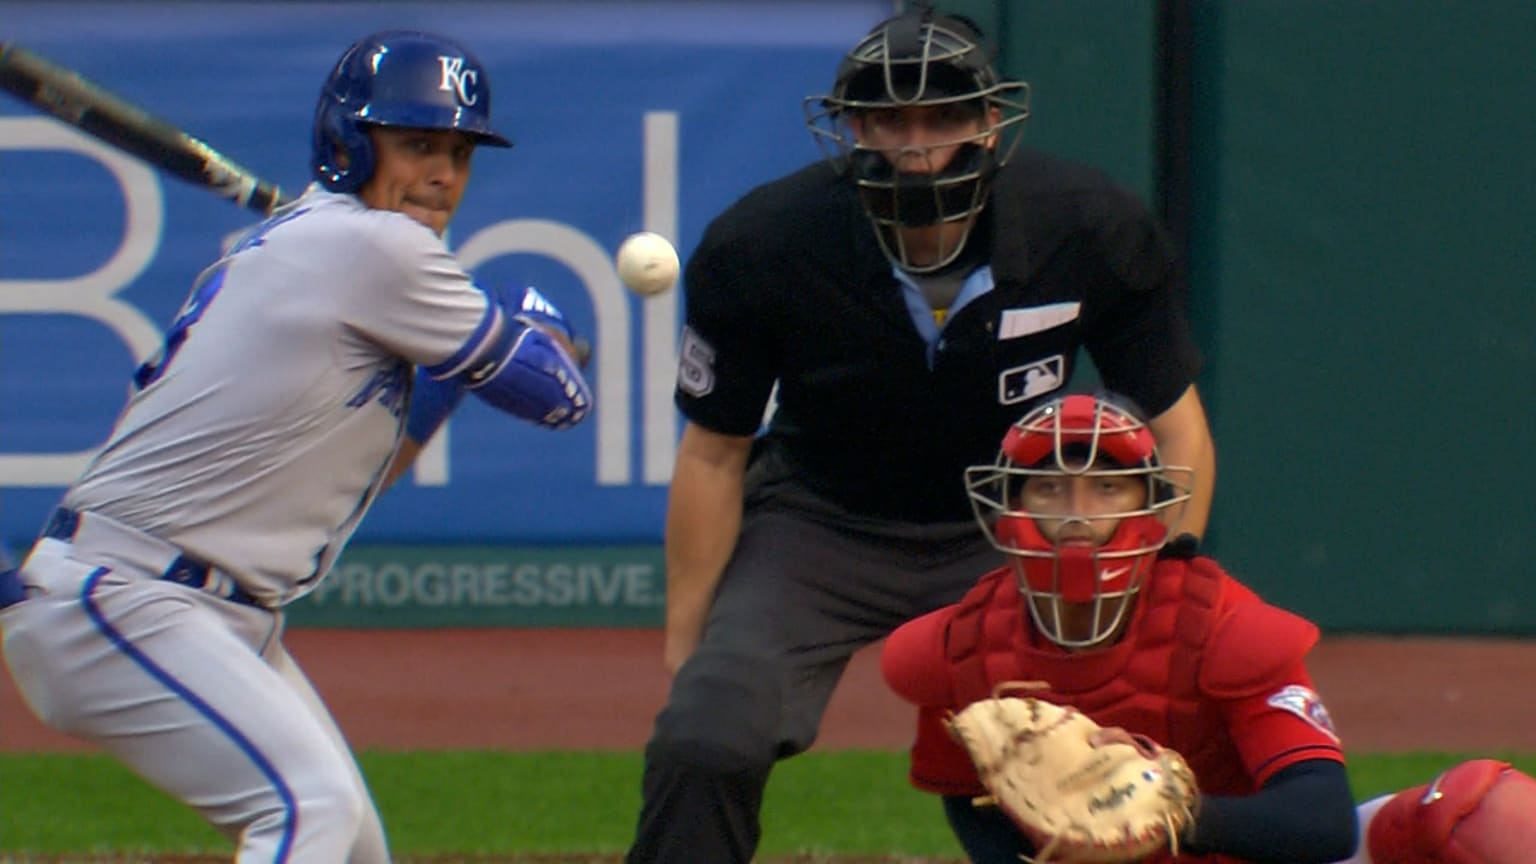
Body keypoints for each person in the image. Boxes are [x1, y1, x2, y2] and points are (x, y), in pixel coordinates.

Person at [626, 7, 1215, 863]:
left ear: (987, 122)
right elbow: (714, 454)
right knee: (707, 735)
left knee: (1091, 763)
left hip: (1014, 531)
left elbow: (1180, 430)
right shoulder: (760, 243)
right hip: (818, 525)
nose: (917, 143)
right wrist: (688, 644)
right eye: (890, 119)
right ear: (852, 128)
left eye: (943, 116)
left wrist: (1166, 582)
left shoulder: (1088, 226)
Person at [0, 30, 590, 861]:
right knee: (306, 807)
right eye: (417, 143)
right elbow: (561, 400)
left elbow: (378, 471)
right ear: (351, 141)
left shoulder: (335, 250)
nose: (442, 173)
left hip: (193, 608)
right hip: (133, 595)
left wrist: (474, 357)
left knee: (351, 848)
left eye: (459, 152)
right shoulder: (372, 247)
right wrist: (517, 326)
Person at [880, 392, 1536, 863]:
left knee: (1491, 813)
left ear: (1150, 505)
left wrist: (1179, 816)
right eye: (1049, 489)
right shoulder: (962, 647)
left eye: (1106, 489)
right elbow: (969, 801)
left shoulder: (1218, 622)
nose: (1076, 515)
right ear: (1011, 506)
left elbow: (1322, 820)